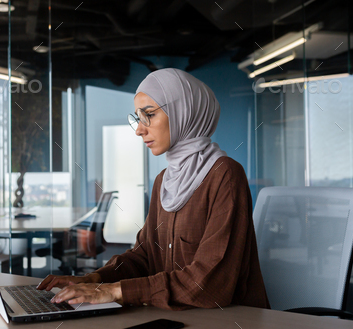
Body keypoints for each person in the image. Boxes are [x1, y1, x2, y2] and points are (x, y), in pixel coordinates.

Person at [37, 68, 270, 310]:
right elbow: (144, 255)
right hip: (174, 315)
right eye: (138, 117)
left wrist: (113, 291)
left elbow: (208, 284)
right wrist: (93, 280)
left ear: (184, 113)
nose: (139, 129)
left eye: (149, 114)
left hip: (227, 320)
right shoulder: (164, 180)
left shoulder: (225, 175)